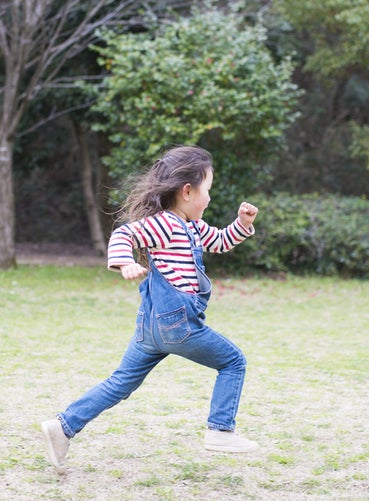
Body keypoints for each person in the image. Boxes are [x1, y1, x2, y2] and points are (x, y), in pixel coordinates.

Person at [41, 145, 260, 473]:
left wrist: (242, 224)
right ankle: (220, 430)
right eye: (208, 191)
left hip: (151, 327)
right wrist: (124, 262)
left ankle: (63, 426)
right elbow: (123, 234)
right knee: (233, 362)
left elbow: (221, 241)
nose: (210, 199)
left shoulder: (194, 228)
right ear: (187, 191)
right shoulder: (166, 224)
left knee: (121, 382)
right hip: (178, 325)